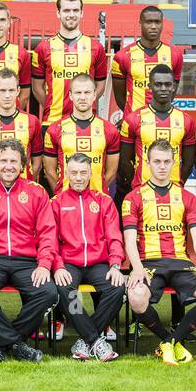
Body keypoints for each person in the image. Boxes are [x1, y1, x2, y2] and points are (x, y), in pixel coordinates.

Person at [122, 139, 196, 367]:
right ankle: (169, 342)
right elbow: (129, 239)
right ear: (147, 163)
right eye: (156, 161)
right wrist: (137, 268)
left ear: (174, 163)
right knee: (136, 298)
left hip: (180, 264)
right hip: (149, 263)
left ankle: (170, 343)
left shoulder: (187, 197)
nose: (162, 166)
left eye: (167, 161)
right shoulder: (133, 198)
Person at [0, 138, 60, 363]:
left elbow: (48, 232)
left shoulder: (36, 192)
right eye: (3, 160)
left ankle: (4, 342)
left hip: (26, 261)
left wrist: (45, 264)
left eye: (14, 161)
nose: (9, 166)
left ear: (22, 164)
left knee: (48, 293)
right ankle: (16, 345)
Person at [50, 153, 125, 362]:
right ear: (66, 174)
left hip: (98, 263)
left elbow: (114, 236)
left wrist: (116, 264)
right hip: (69, 264)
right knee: (65, 289)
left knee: (117, 287)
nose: (79, 178)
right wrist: (58, 266)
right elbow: (50, 239)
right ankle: (95, 340)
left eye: (83, 173)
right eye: (74, 173)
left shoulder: (104, 201)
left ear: (91, 174)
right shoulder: (56, 203)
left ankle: (85, 341)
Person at [32, 0, 108, 124]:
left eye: (75, 10)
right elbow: (36, 87)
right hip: (53, 121)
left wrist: (86, 104)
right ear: (58, 13)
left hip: (86, 122)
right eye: (66, 10)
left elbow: (100, 85)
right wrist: (51, 105)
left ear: (81, 13)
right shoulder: (43, 48)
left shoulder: (96, 47)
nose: (71, 15)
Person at [118, 66, 196, 193]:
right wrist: (137, 183)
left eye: (167, 84)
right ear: (150, 86)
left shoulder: (186, 120)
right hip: (141, 191)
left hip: (174, 191)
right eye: (158, 85)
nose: (163, 89)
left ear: (173, 87)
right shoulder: (133, 119)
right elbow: (125, 160)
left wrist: (178, 183)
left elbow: (189, 162)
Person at [43, 72, 120, 193]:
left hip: (97, 202)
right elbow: (49, 171)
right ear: (71, 95)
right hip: (65, 203)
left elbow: (112, 171)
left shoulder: (110, 130)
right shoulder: (54, 129)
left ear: (95, 95)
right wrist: (62, 194)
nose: (83, 97)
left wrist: (98, 192)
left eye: (87, 92)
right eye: (78, 93)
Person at [113, 4, 184, 116]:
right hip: (134, 121)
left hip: (162, 119)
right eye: (149, 22)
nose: (153, 26)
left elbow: (172, 89)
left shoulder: (175, 54)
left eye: (157, 22)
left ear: (162, 24)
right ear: (140, 23)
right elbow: (119, 96)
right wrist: (132, 117)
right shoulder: (123, 56)